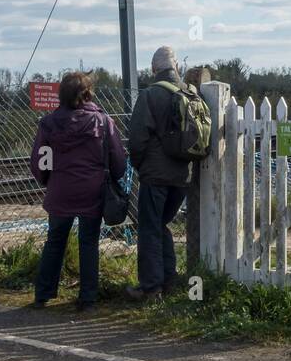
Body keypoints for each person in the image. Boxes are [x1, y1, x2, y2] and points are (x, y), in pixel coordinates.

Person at [30, 71, 126, 310]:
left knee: (55, 240)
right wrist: (113, 176)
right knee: (89, 243)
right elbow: (119, 161)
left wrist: (49, 181)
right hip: (92, 191)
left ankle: (43, 294)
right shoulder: (103, 122)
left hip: (60, 189)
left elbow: (40, 161)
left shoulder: (48, 124)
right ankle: (87, 299)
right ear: (88, 93)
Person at [126, 45, 196, 301]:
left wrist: (139, 164)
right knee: (161, 224)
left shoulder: (150, 95)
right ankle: (169, 280)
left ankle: (150, 288)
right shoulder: (190, 92)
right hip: (183, 175)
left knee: (148, 227)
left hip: (155, 176)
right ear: (175, 67)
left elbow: (136, 139)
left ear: (154, 69)